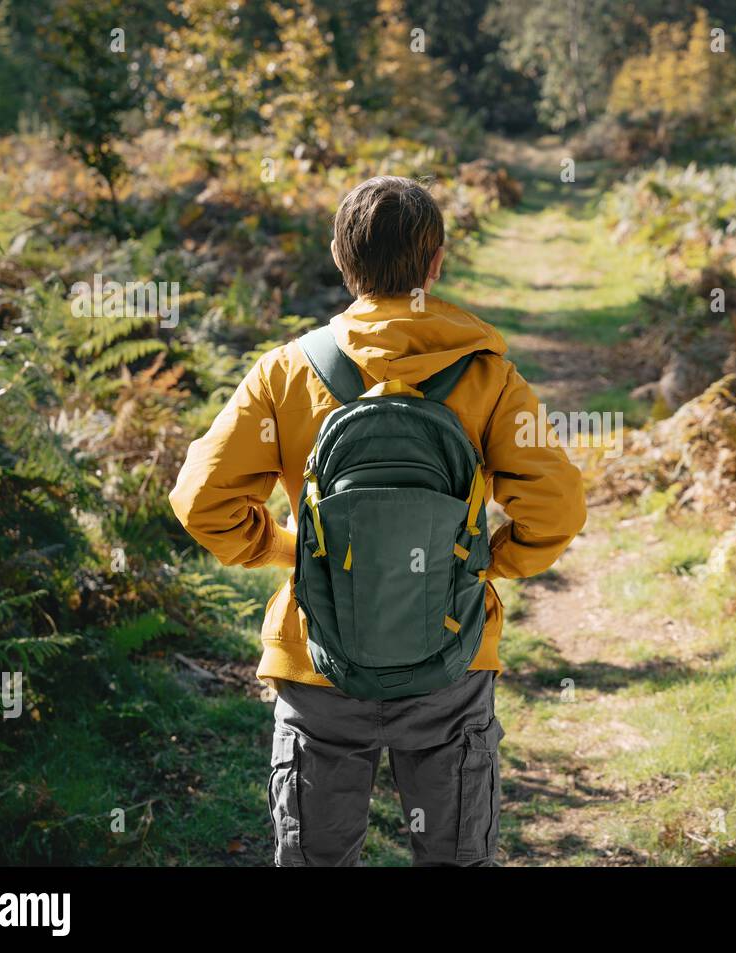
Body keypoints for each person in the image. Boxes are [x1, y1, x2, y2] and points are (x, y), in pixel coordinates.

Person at [169, 175, 586, 865]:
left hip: (318, 658)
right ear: (436, 263)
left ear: (340, 257)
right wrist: (479, 563)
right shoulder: (486, 377)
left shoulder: (286, 372)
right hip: (451, 659)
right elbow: (557, 508)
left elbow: (200, 501)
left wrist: (292, 552)